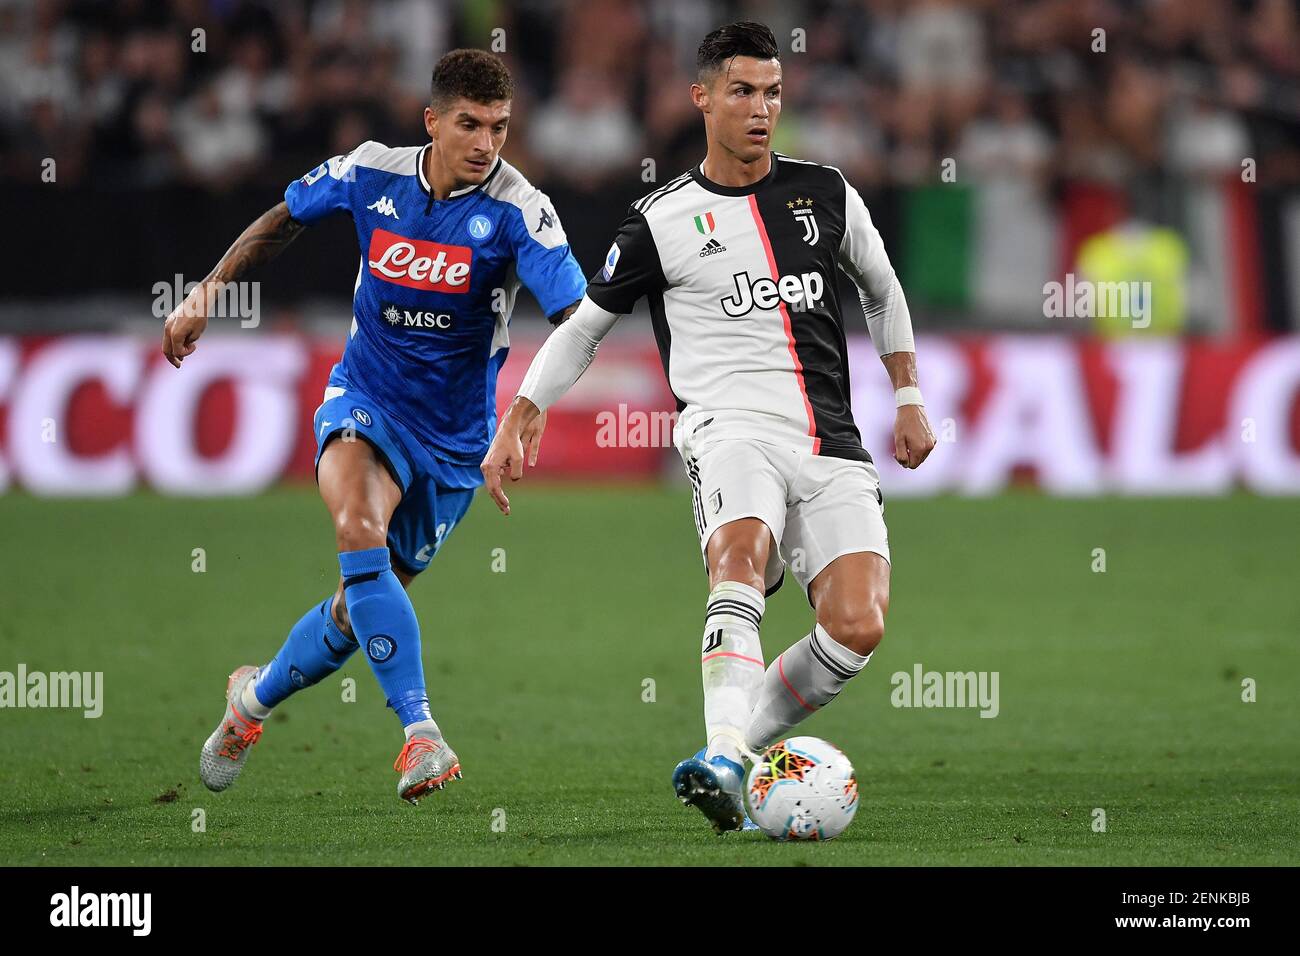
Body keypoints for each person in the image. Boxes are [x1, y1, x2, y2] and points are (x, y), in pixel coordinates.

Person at [481, 22, 935, 833]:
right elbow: (585, 328)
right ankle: (725, 754)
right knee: (740, 558)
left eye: (773, 93)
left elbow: (882, 288)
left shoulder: (827, 192)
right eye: (742, 91)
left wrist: (909, 396)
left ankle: (734, 751)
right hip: (727, 429)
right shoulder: (660, 220)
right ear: (702, 98)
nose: (761, 109)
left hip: (828, 437)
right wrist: (522, 410)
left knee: (857, 626)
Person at [163, 49, 586, 805]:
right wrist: (206, 294)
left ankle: (249, 702)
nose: (486, 143)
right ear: (432, 122)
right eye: (469, 125)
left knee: (355, 608)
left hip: (455, 443)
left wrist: (531, 405)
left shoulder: (521, 209)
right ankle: (421, 734)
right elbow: (284, 218)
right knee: (358, 527)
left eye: (499, 127)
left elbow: (576, 320)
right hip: (365, 399)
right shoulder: (370, 171)